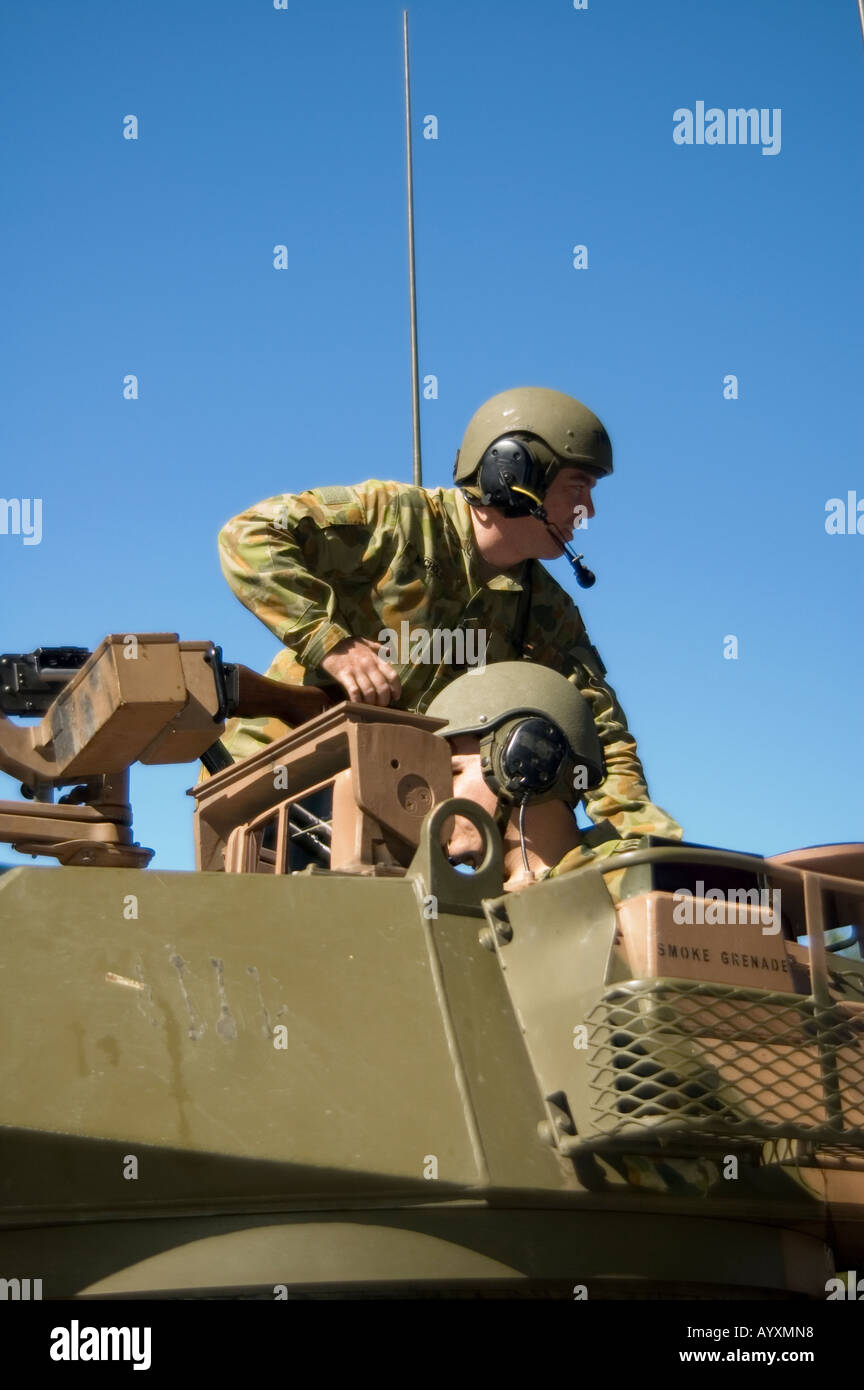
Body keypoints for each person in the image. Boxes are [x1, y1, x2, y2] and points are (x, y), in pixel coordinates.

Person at [216, 386, 682, 851]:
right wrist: (332, 644)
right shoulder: (397, 520)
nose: (589, 511)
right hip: (275, 783)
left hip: (391, 811)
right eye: (577, 488)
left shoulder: (546, 611)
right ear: (516, 472)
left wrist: (644, 842)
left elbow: (600, 729)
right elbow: (251, 536)